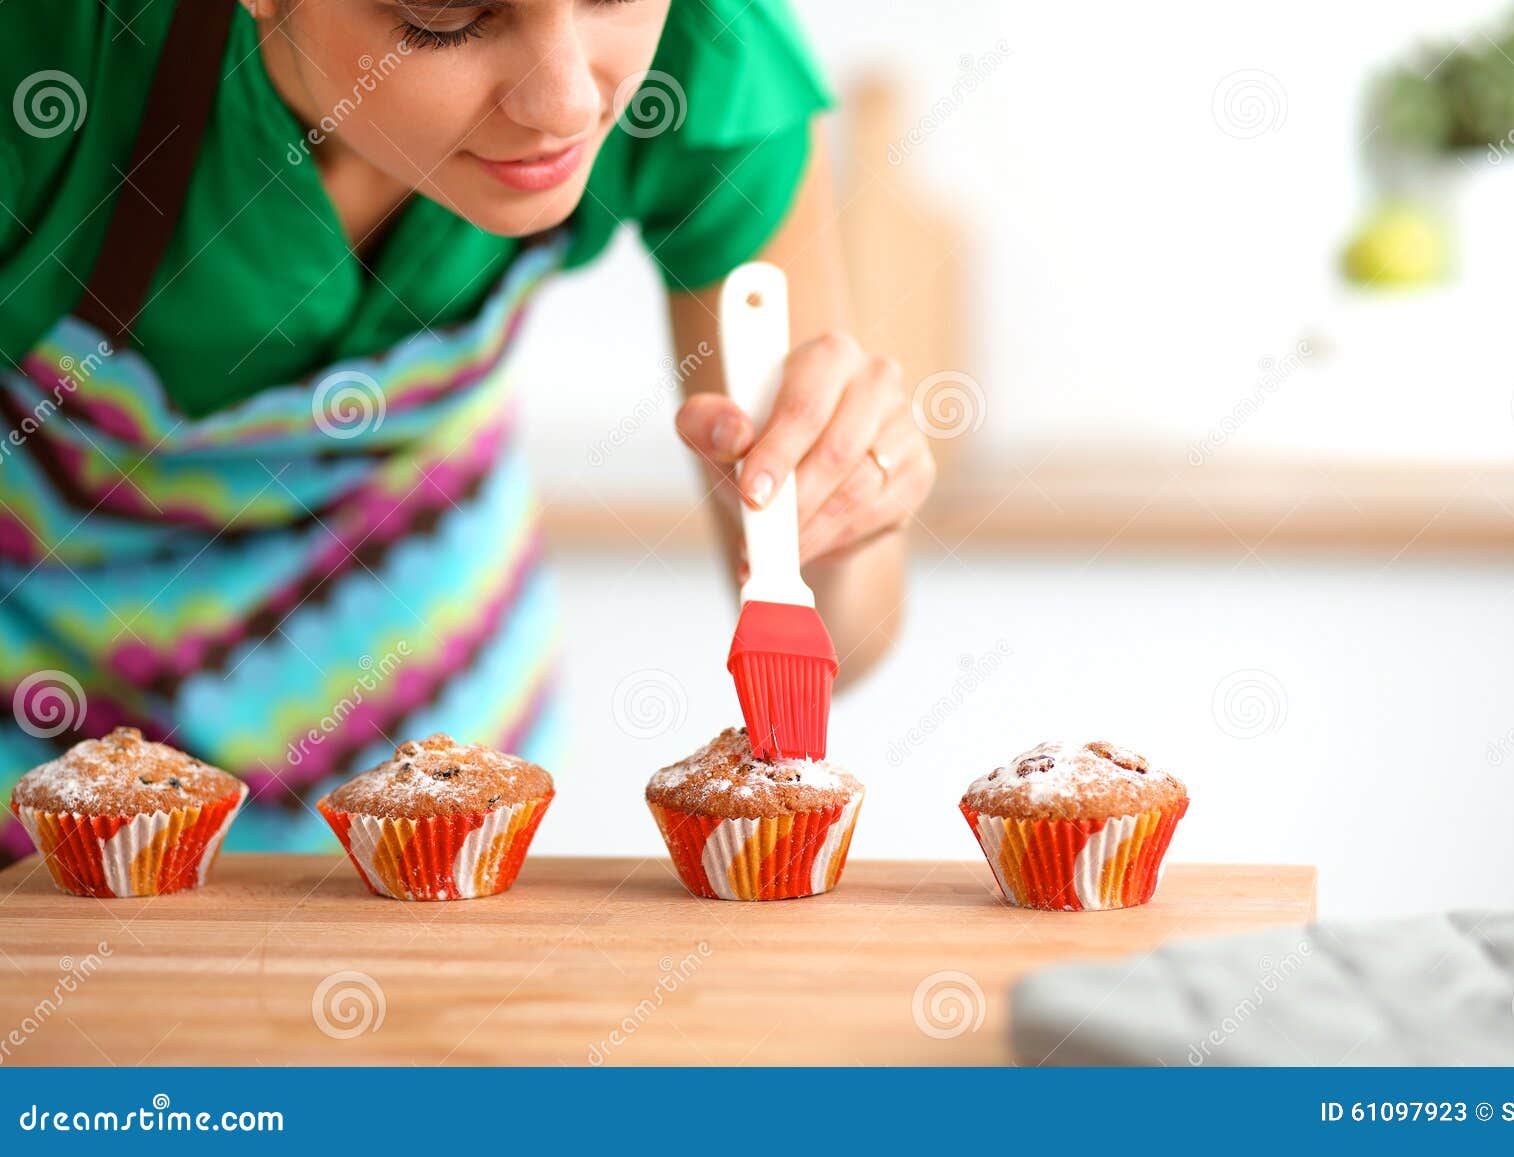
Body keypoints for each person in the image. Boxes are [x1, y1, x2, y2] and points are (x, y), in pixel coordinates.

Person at [0, 0, 935, 860]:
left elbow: (840, 641)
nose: (566, 103)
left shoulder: (708, 48)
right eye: (449, 14)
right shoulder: (49, 62)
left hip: (447, 794)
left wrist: (841, 521)